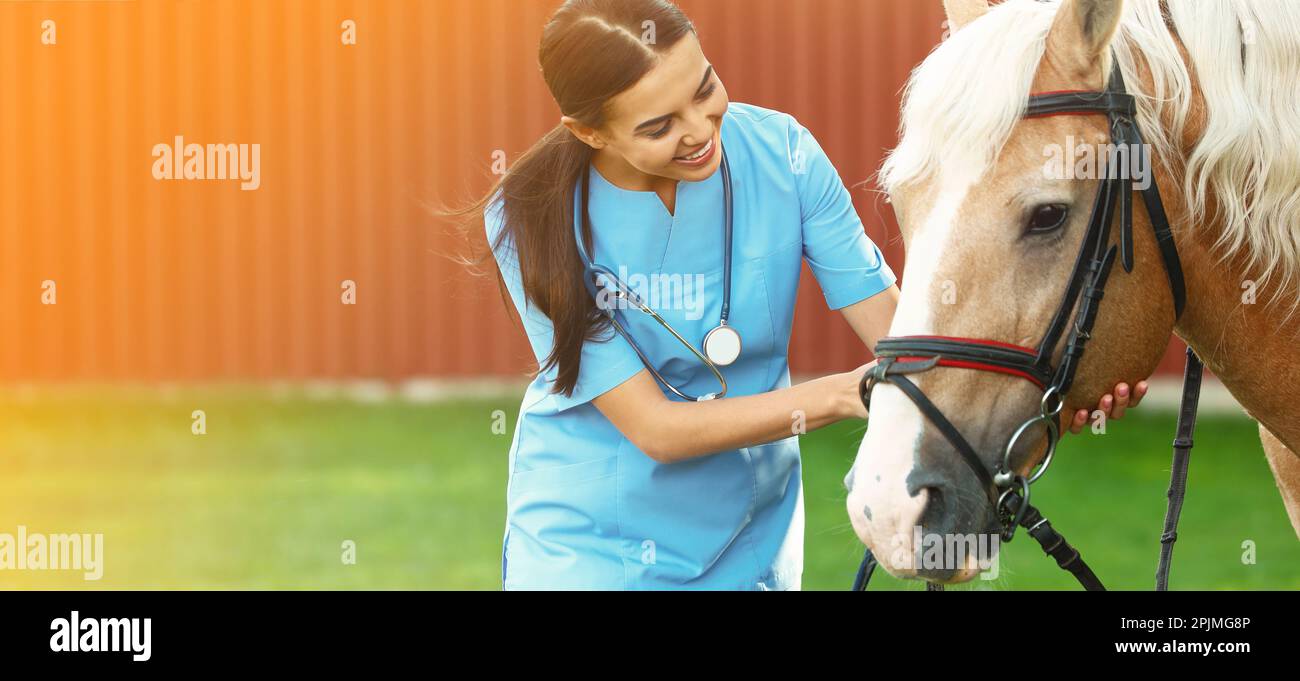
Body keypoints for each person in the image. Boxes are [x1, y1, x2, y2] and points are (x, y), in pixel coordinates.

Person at [457, 0, 1144, 589]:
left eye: (704, 88)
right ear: (590, 132)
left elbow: (897, 333)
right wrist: (843, 395)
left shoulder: (783, 154)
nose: (700, 131)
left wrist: (1048, 384)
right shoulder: (530, 219)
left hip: (753, 545)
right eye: (659, 126)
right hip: (590, 549)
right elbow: (656, 430)